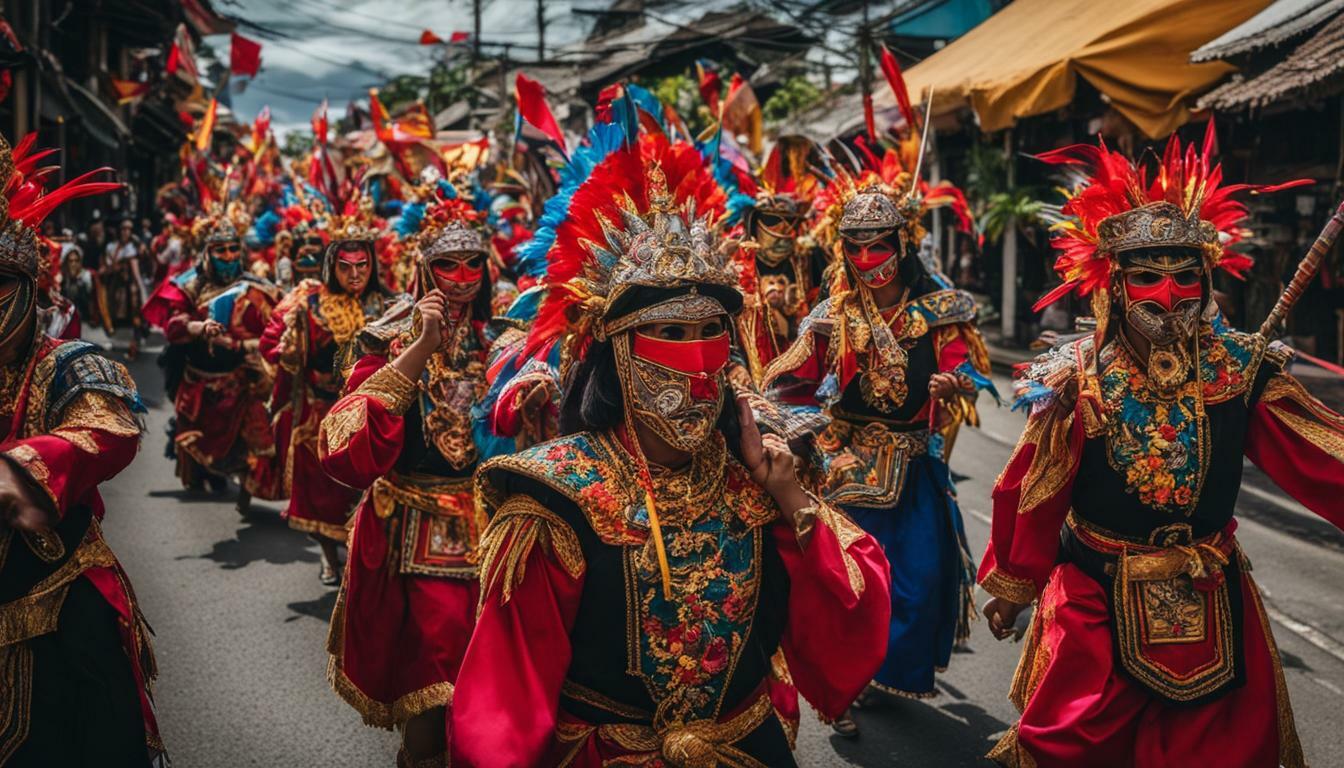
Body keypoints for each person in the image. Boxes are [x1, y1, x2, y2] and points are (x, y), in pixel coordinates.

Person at [450, 130, 892, 767]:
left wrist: (788, 492)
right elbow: (503, 701)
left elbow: (858, 612)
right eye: (669, 332)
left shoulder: (759, 473)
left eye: (713, 330)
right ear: (619, 351)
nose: (697, 356)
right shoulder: (558, 499)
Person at [980, 125, 1344, 768]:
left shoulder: (1239, 370)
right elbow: (1038, 482)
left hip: (1212, 597)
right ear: (1115, 285)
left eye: (1186, 278)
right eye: (1149, 277)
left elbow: (1320, 456)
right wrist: (1015, 581)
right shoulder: (1078, 378)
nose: (1170, 297)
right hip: (1095, 597)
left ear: (1207, 283)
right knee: (1071, 748)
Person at [762, 136, 990, 733]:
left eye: (879, 245)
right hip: (843, 463)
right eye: (856, 246)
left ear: (902, 245)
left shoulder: (940, 310)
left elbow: (966, 365)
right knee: (849, 584)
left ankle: (885, 669)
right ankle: (845, 683)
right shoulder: (832, 315)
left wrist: (955, 383)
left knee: (918, 583)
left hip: (912, 467)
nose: (867, 257)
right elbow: (789, 381)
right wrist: (798, 425)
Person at [0, 133, 166, 766]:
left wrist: (20, 469)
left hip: (53, 602)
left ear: (32, 290)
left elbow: (107, 427)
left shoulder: (68, 363)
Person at [317, 200, 493, 766]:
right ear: (425, 271)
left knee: (493, 677)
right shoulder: (386, 336)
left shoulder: (507, 338)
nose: (464, 279)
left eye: (474, 265)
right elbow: (345, 444)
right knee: (433, 672)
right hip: (414, 526)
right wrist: (420, 348)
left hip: (496, 527)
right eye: (449, 266)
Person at [260, 218, 402, 585]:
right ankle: (327, 556)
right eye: (345, 267)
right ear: (330, 267)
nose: (355, 275)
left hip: (374, 412)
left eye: (362, 266)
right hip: (320, 411)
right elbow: (281, 353)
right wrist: (291, 347)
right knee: (323, 492)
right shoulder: (309, 306)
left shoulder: (391, 304)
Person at [141, 206, 283, 509]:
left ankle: (247, 490)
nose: (230, 256)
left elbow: (275, 327)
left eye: (234, 248)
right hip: (199, 377)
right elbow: (173, 326)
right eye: (221, 250)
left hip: (240, 376)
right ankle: (204, 473)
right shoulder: (189, 285)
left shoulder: (258, 286)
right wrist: (199, 326)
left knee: (256, 438)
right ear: (207, 252)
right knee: (199, 443)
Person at [101, 218, 147, 358]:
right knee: (115, 314)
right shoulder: (111, 247)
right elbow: (108, 266)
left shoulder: (136, 247)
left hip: (132, 285)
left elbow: (140, 268)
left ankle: (135, 343)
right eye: (123, 229)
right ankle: (116, 343)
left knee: (136, 313)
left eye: (129, 229)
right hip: (116, 285)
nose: (126, 232)